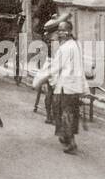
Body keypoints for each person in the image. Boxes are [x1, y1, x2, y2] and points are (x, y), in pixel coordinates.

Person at [32, 14, 88, 154]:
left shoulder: (65, 48)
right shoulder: (75, 45)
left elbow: (54, 67)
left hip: (66, 86)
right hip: (73, 85)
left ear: (69, 32)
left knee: (64, 114)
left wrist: (38, 80)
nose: (61, 33)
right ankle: (66, 137)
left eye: (63, 30)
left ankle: (70, 142)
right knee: (69, 113)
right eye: (60, 30)